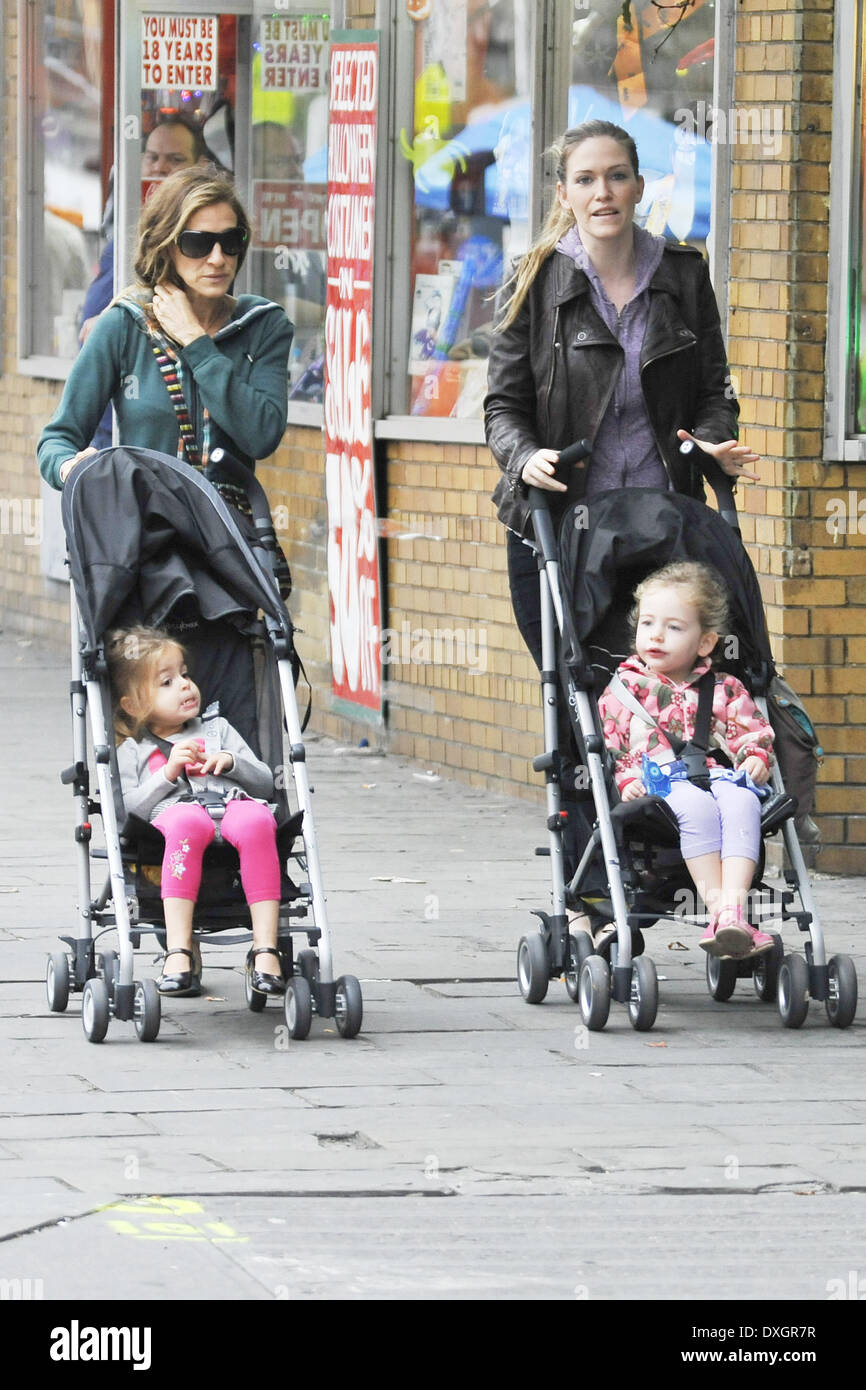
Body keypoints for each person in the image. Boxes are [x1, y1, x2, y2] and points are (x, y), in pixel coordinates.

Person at [483, 119, 761, 937]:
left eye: (617, 176)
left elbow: (715, 386)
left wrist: (713, 437)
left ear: (640, 186)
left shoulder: (681, 273)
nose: (601, 193)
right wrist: (524, 454)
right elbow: (502, 405)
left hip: (666, 528)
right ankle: (604, 876)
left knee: (686, 693)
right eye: (584, 180)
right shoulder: (535, 281)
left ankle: (696, 864)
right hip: (564, 533)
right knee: (588, 699)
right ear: (563, 194)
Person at [38, 165, 293, 744]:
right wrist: (75, 470)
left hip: (224, 541)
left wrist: (200, 346)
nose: (217, 258)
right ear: (166, 246)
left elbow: (261, 434)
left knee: (236, 669)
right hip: (142, 541)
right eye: (198, 242)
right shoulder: (124, 327)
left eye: (231, 242)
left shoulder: (263, 327)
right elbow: (57, 439)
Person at [598, 562, 776, 960]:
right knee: (696, 806)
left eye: (674, 628)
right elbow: (615, 745)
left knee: (744, 799)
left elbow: (752, 730)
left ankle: (731, 912)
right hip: (661, 782)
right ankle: (724, 915)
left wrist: (755, 756)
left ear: (706, 642)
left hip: (718, 775)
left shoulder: (726, 688)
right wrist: (628, 779)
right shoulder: (624, 690)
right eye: (647, 623)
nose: (656, 635)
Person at [108, 626, 287, 999]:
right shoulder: (134, 751)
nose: (185, 686)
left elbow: (266, 783)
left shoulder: (218, 728)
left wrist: (232, 761)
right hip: (176, 819)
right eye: (167, 682)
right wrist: (166, 773)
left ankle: (266, 949)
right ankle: (179, 949)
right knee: (186, 820)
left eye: (185, 675)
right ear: (134, 705)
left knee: (259, 820)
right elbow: (129, 812)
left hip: (233, 807)